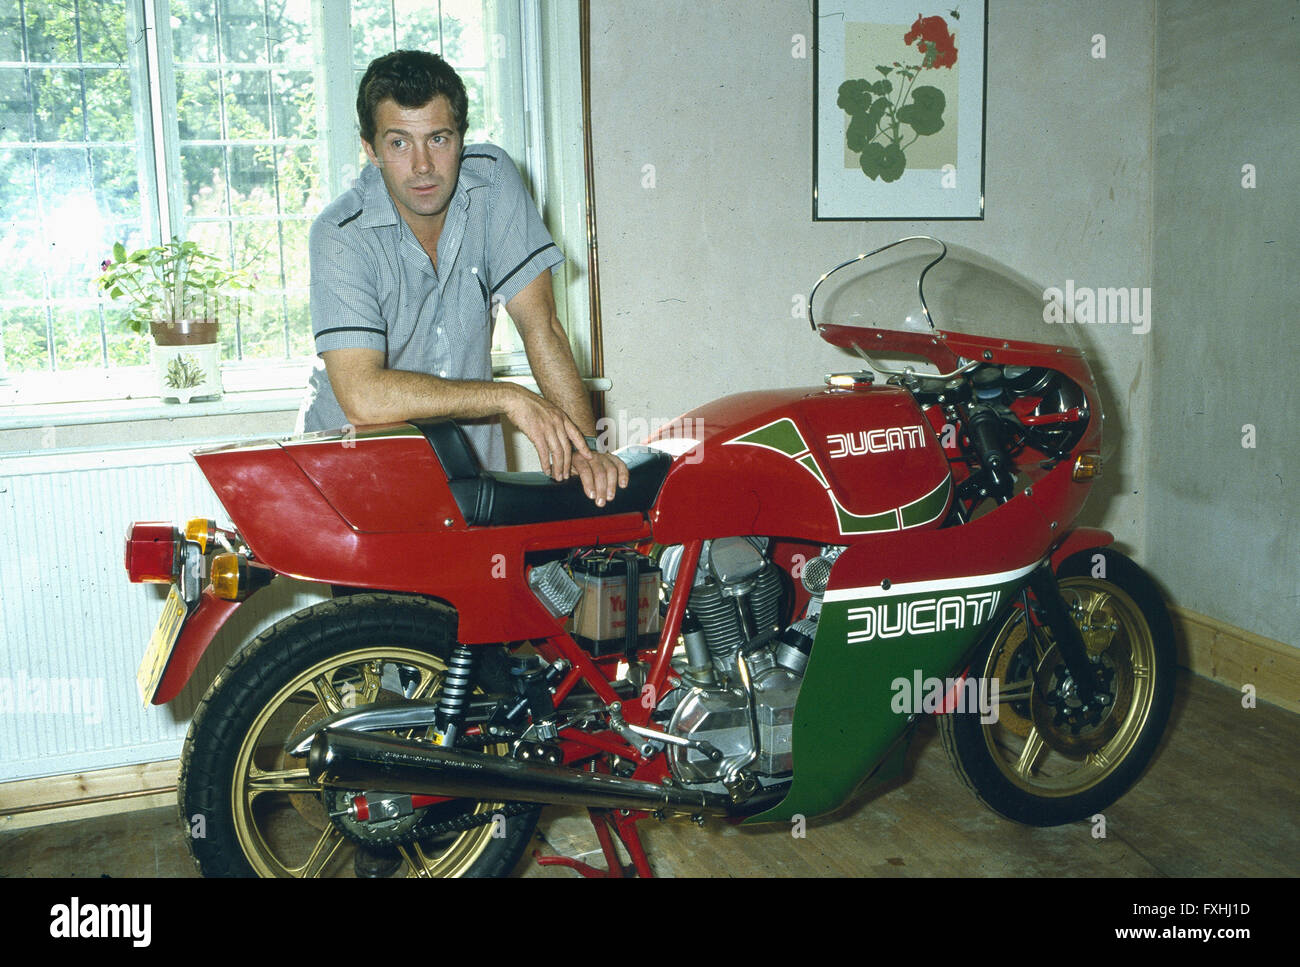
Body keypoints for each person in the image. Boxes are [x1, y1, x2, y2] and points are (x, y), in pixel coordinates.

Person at [297, 50, 627, 505]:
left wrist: (587, 451)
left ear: (462, 138)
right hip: (355, 484)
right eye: (398, 143)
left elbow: (541, 324)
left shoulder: (493, 182)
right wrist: (508, 397)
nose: (422, 166)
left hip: (469, 477)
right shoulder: (339, 235)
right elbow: (363, 395)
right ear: (370, 149)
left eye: (438, 139)